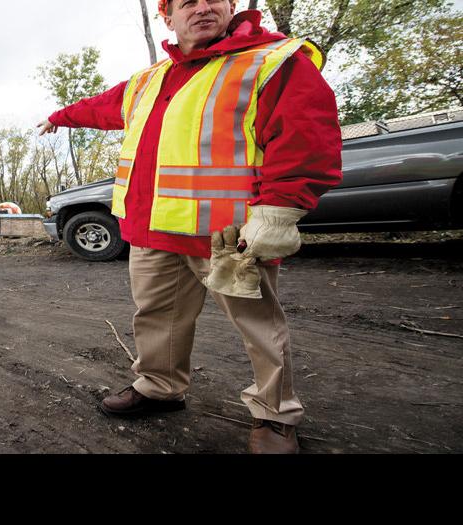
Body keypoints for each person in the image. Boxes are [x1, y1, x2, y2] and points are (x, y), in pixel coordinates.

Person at [37, 0, 342, 453]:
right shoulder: (150, 80)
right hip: (153, 231)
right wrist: (60, 117)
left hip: (228, 235)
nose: (202, 7)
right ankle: (159, 387)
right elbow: (102, 107)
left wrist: (279, 209)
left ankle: (275, 414)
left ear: (230, 7)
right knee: (157, 317)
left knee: (259, 326)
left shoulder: (272, 61)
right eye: (187, 1)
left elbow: (306, 138)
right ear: (168, 15)